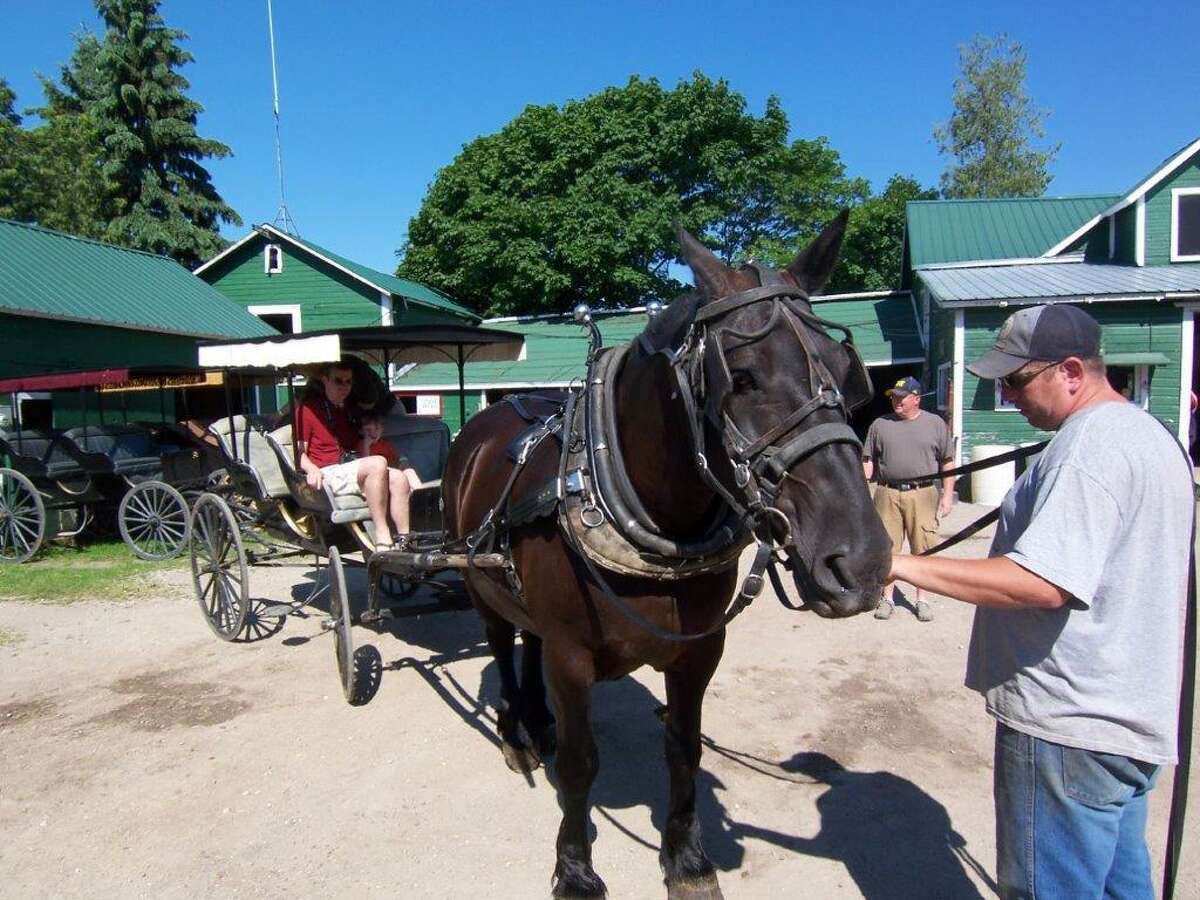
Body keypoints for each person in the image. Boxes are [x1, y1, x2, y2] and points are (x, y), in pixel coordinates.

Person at [889, 304, 1193, 900]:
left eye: (1016, 380)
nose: (1006, 393)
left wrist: (899, 564)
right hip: (1122, 719)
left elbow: (1042, 581)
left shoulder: (1089, 448)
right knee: (1117, 888)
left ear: (1072, 371)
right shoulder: (1148, 434)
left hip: (1068, 728)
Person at [862, 376, 955, 622]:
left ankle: (921, 599)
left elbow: (947, 462)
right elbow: (868, 460)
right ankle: (887, 598)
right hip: (887, 493)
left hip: (922, 493)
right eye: (893, 397)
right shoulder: (880, 425)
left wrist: (947, 495)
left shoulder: (935, 424)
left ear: (917, 398)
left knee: (922, 548)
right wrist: (861, 488)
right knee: (887, 548)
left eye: (901, 397)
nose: (896, 401)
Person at [294, 360, 411, 552]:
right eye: (338, 381)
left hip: (349, 468)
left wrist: (370, 436)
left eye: (348, 382)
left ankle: (405, 541)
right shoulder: (306, 410)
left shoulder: (348, 410)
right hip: (326, 474)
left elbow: (357, 442)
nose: (344, 386)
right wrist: (311, 469)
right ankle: (382, 536)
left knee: (399, 478)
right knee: (377, 463)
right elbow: (299, 454)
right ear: (325, 380)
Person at [358, 411, 421, 533]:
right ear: (362, 431)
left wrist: (403, 464)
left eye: (378, 428)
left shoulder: (385, 444)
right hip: (376, 480)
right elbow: (364, 462)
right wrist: (366, 444)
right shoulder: (362, 445)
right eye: (370, 430)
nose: (375, 432)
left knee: (410, 472)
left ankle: (421, 497)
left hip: (394, 477)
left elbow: (396, 461)